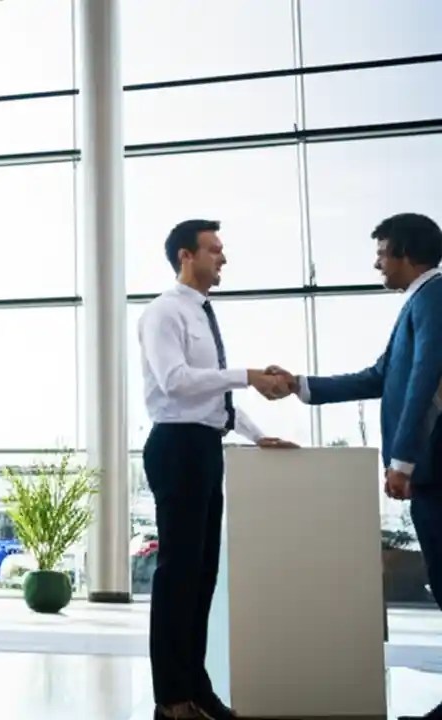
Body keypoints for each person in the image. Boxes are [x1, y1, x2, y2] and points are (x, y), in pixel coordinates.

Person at [264, 213, 442, 720]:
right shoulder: (421, 302)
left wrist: (403, 461)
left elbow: (423, 382)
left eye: (383, 252)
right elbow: (381, 377)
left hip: (434, 468)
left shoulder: (434, 298)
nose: (377, 262)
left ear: (407, 253)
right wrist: (301, 384)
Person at [137, 219, 297, 720]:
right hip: (177, 448)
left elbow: (212, 396)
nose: (222, 258)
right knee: (177, 578)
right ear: (187, 255)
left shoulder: (203, 314)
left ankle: (196, 690)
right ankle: (171, 699)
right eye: (214, 250)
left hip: (204, 446)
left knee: (201, 577)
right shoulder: (165, 311)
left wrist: (254, 433)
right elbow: (177, 381)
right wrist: (247, 376)